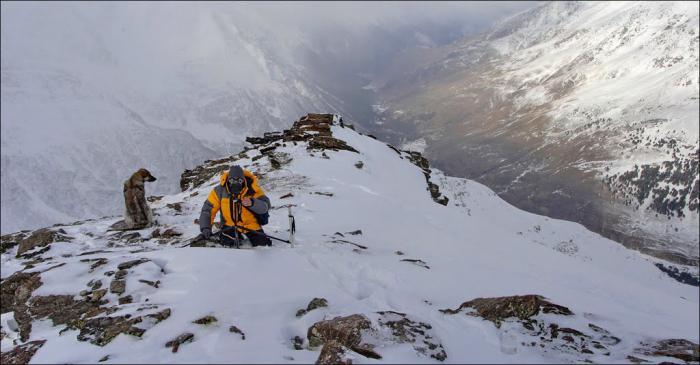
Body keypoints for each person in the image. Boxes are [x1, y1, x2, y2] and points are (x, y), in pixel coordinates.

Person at [199, 165, 272, 247]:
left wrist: (253, 203)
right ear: (228, 180)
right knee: (227, 244)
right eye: (232, 180)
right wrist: (206, 228)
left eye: (239, 180)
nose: (236, 183)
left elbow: (266, 206)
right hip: (229, 226)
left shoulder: (252, 189)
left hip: (251, 225)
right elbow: (208, 210)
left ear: (243, 180)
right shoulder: (219, 191)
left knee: (263, 245)